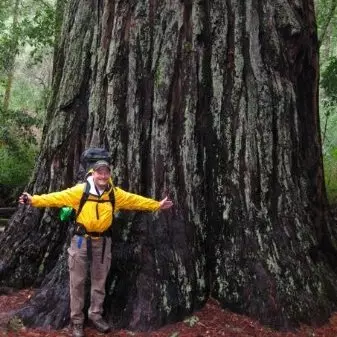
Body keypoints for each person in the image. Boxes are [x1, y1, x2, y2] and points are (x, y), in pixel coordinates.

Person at [19, 159, 173, 337]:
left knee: (99, 282)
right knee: (77, 282)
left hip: (103, 242)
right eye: (100, 172)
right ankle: (77, 321)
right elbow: (56, 197)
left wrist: (157, 205)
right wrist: (33, 200)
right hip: (81, 241)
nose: (103, 175)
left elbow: (135, 200)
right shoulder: (80, 191)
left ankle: (95, 315)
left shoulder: (114, 194)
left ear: (109, 175)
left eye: (106, 172)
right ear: (93, 173)